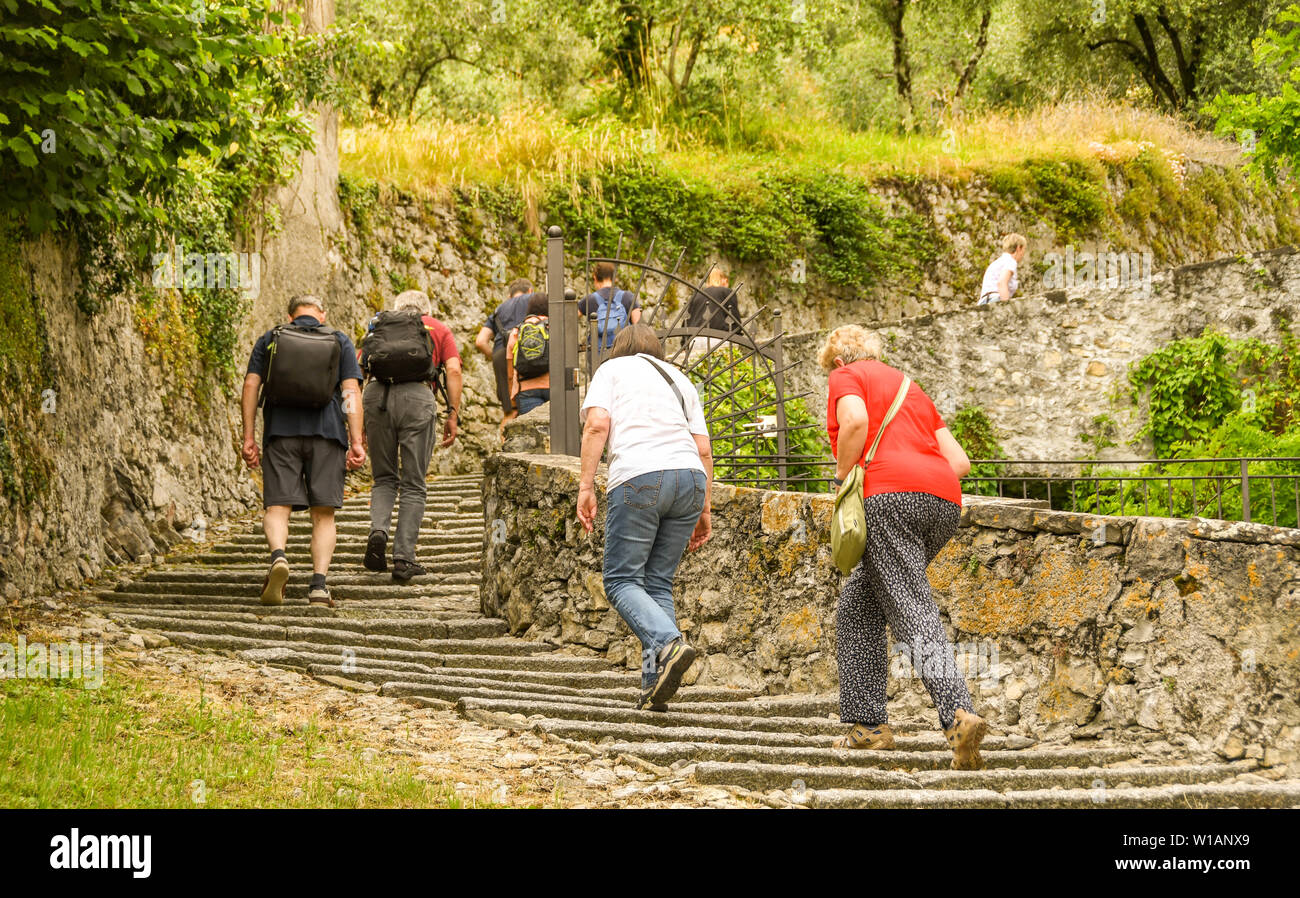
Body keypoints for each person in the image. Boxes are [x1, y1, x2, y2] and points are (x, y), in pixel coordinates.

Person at [819, 324, 988, 770]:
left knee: (911, 608)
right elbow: (960, 463)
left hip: (888, 499)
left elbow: (855, 421)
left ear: (838, 360)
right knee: (859, 605)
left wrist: (841, 481)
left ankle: (957, 714)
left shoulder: (846, 374)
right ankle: (868, 726)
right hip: (943, 502)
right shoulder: (912, 389)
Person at [576, 323, 712, 711]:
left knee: (620, 580)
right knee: (656, 584)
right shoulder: (681, 379)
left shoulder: (611, 370)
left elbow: (597, 424)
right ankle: (655, 687)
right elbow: (703, 448)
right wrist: (704, 508)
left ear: (618, 348)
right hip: (690, 479)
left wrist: (586, 486)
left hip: (640, 477)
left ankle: (669, 643)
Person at [241, 295, 365, 608]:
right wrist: (356, 439)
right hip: (327, 434)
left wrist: (248, 437)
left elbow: (251, 387)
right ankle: (319, 587)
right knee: (323, 514)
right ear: (321, 314)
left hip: (280, 432)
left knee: (277, 507)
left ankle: (279, 557)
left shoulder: (270, 339)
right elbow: (350, 391)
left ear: (290, 315)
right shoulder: (339, 340)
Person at [358, 290, 462, 582]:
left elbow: (360, 368)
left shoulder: (378, 325)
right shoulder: (438, 329)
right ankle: (403, 558)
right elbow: (453, 370)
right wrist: (452, 412)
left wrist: (360, 421)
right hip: (418, 398)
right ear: (424, 310)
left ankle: (378, 531)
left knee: (383, 477)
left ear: (396, 310)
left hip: (376, 396)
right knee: (413, 483)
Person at [474, 278, 532, 434]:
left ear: (509, 296)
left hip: (501, 353)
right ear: (530, 291)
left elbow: (480, 341)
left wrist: (495, 357)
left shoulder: (498, 310)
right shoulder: (532, 299)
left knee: (510, 412)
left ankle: (506, 450)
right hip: (527, 353)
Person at [579, 261, 641, 354]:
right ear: (614, 278)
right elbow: (639, 327)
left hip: (599, 355)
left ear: (595, 278)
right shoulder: (628, 297)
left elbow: (569, 318)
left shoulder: (589, 300)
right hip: (624, 353)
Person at [506, 292, 551, 416]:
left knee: (532, 433)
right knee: (558, 433)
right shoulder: (555, 327)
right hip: (554, 387)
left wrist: (513, 400)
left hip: (526, 390)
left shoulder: (517, 331)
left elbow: (510, 374)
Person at [684, 266, 741, 359]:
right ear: (724, 280)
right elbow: (734, 318)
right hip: (719, 338)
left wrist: (684, 344)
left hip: (695, 341)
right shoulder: (726, 292)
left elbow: (686, 321)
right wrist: (738, 338)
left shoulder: (697, 295)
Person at [977, 233, 1026, 305]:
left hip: (983, 302)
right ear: (1018, 248)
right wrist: (1005, 306)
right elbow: (1002, 282)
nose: (1023, 254)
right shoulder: (1011, 261)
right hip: (995, 299)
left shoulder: (997, 262)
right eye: (1024, 249)